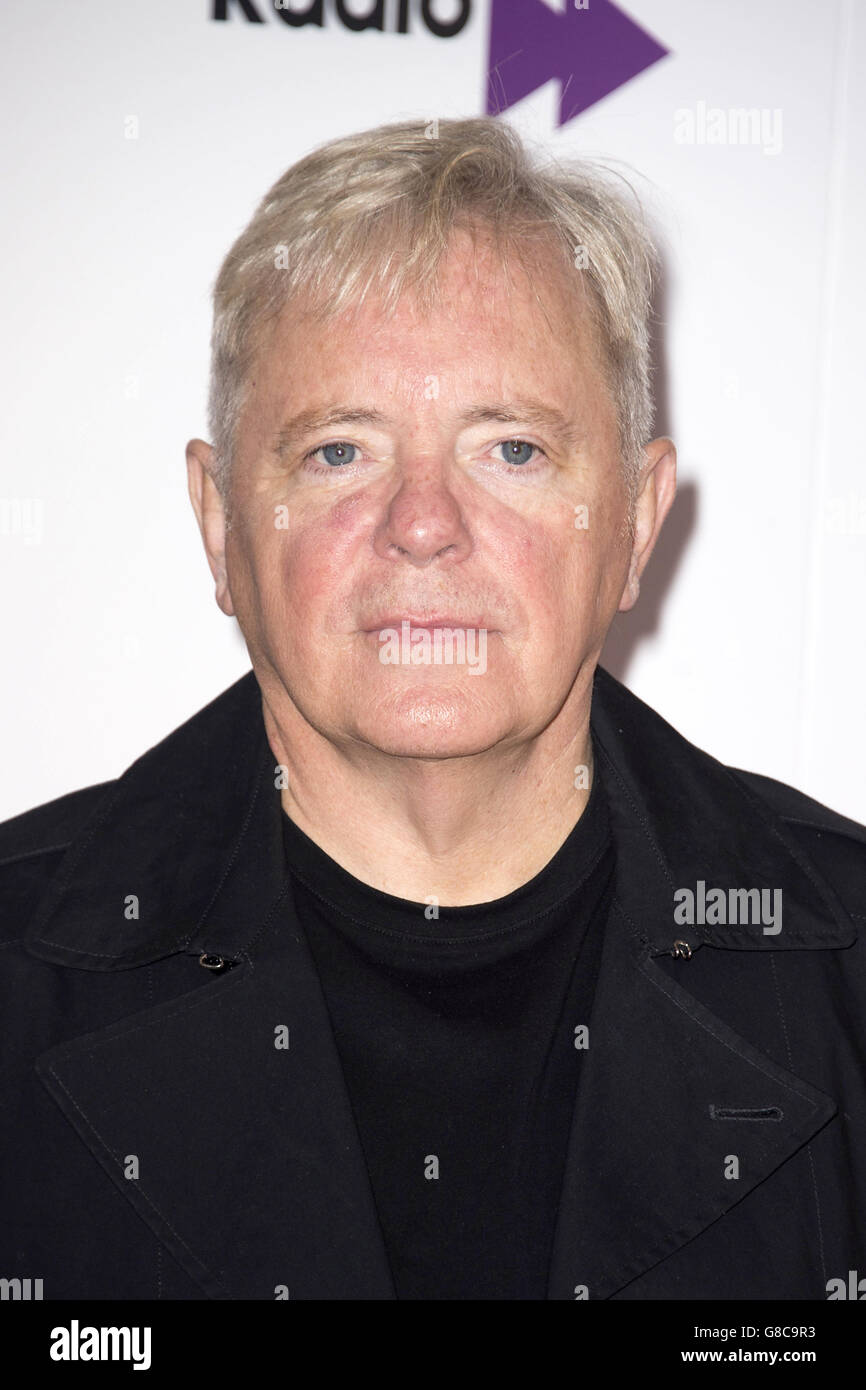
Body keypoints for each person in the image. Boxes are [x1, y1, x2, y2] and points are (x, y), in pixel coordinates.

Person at [2, 117, 864, 1302]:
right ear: (220, 526)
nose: (422, 524)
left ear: (633, 522)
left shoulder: (845, 972)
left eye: (509, 449)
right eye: (338, 452)